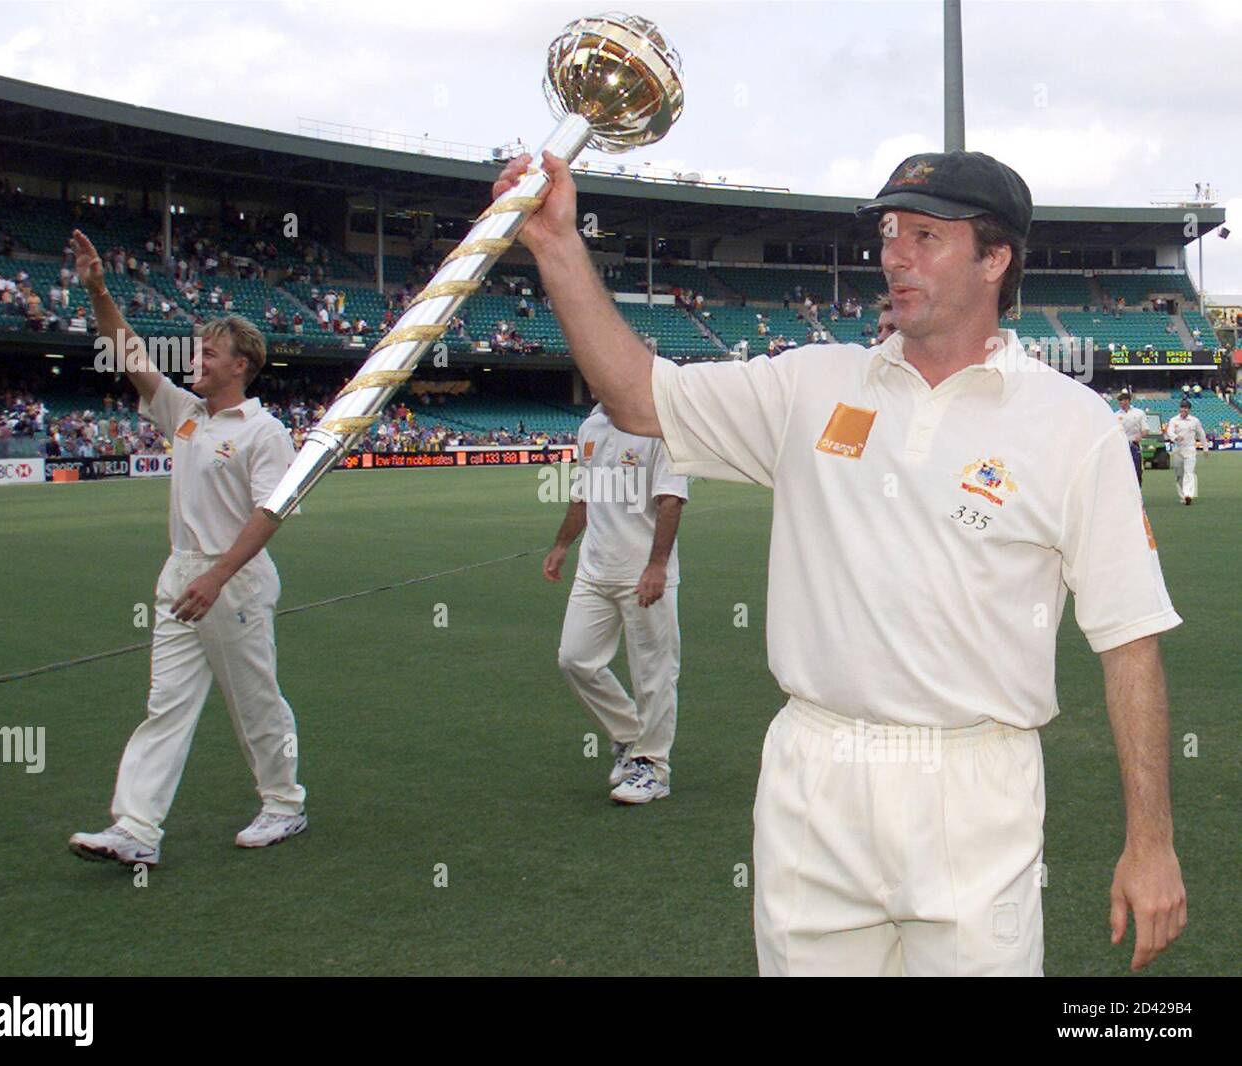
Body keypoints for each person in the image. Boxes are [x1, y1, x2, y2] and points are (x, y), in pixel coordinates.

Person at [494, 148, 1187, 976]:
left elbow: (1130, 640)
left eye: (926, 237)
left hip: (974, 786)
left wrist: (1151, 844)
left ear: (996, 259)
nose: (894, 255)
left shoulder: (1075, 428)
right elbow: (637, 395)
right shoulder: (810, 386)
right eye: (890, 233)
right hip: (814, 774)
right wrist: (558, 246)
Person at [66, 229, 307, 868]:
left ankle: (284, 805)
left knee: (255, 700)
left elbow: (271, 511)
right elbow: (129, 354)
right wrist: (98, 290)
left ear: (241, 364)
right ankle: (137, 827)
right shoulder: (186, 413)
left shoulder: (264, 431)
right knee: (165, 704)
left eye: (209, 351)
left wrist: (220, 577)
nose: (195, 358)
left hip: (236, 582)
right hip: (181, 576)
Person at [543, 397, 688, 804]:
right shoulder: (590, 427)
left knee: (654, 674)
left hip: (642, 572)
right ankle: (628, 737)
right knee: (575, 659)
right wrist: (561, 544)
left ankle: (653, 768)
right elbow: (583, 494)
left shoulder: (659, 426)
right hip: (594, 569)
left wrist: (657, 565)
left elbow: (671, 499)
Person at [1165, 399, 1207, 505]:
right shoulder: (1174, 420)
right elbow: (1169, 431)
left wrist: (1205, 448)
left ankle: (1188, 495)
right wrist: (1175, 437)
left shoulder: (1194, 421)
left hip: (1190, 449)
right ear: (1180, 408)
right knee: (1179, 474)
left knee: (1189, 472)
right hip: (1178, 449)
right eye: (1182, 407)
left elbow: (1201, 434)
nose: (1184, 409)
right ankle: (1183, 496)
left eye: (1186, 408)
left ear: (1189, 409)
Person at [1115, 391, 1148, 486]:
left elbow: (1145, 429)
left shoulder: (1139, 413)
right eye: (1120, 401)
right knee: (1122, 471)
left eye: (1123, 400)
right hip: (1121, 445)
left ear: (1128, 401)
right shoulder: (1116, 415)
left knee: (1137, 470)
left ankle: (1138, 494)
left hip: (1134, 444)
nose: (1121, 403)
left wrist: (1140, 436)